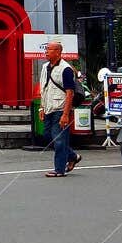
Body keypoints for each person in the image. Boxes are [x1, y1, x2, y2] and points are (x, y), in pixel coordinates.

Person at [42, 40, 80, 177]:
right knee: (47, 136)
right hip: (48, 107)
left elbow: (70, 93)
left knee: (59, 140)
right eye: (46, 49)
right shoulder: (45, 67)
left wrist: (65, 114)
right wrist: (41, 108)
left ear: (58, 52)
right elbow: (44, 88)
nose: (46, 52)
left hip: (60, 108)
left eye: (49, 49)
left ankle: (59, 169)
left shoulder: (66, 69)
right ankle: (72, 156)